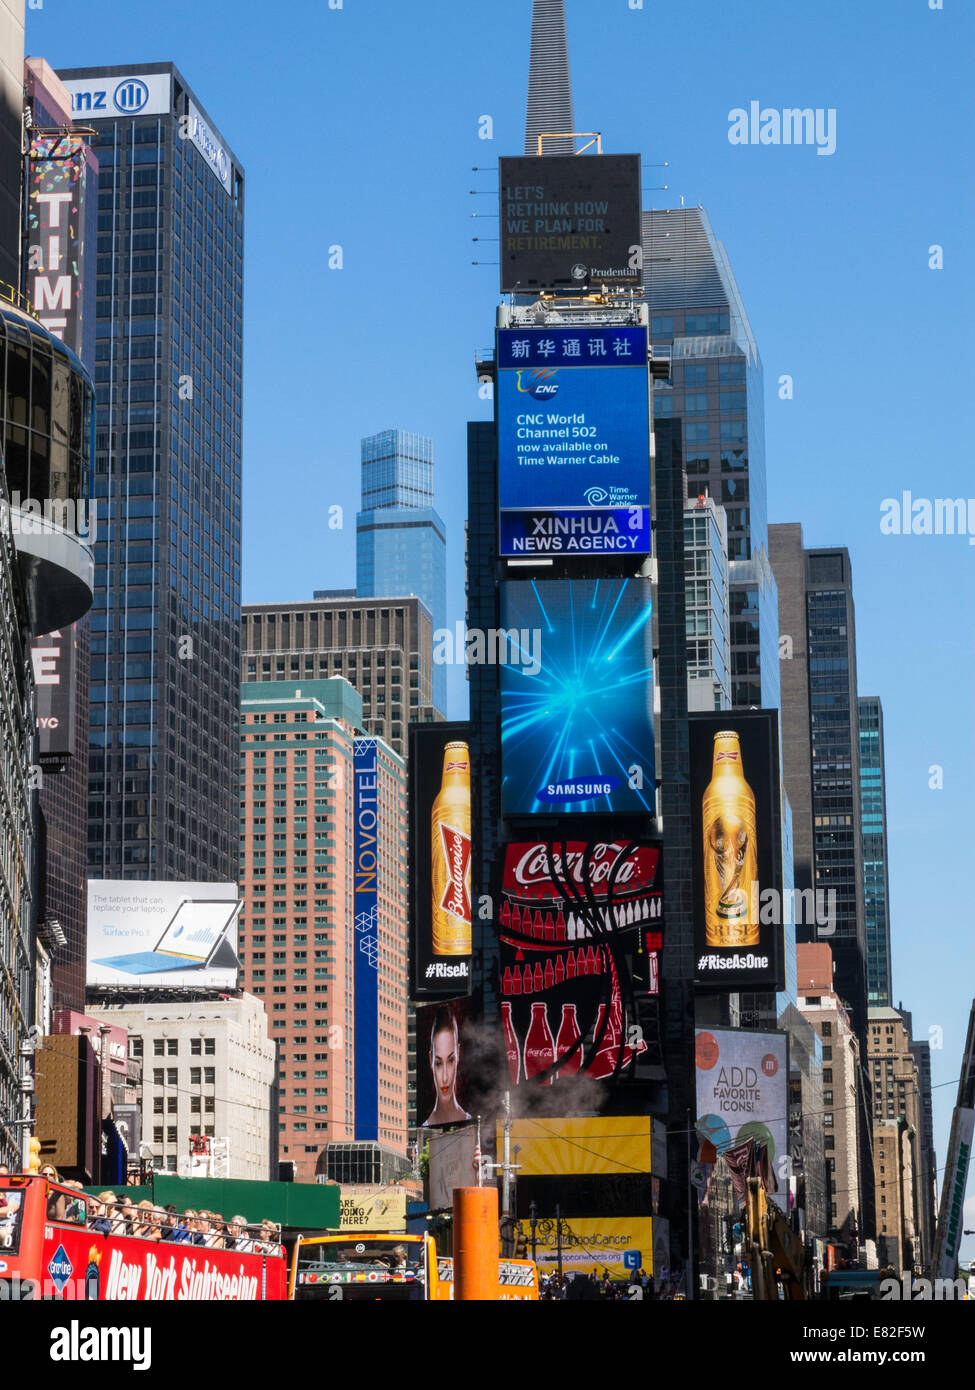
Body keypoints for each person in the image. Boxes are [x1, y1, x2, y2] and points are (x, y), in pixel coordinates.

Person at [421, 1006, 471, 1127]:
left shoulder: (472, 1122)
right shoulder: (423, 1130)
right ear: (430, 1059)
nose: (444, 1078)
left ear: (458, 1054)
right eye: (438, 1063)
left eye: (450, 1060)